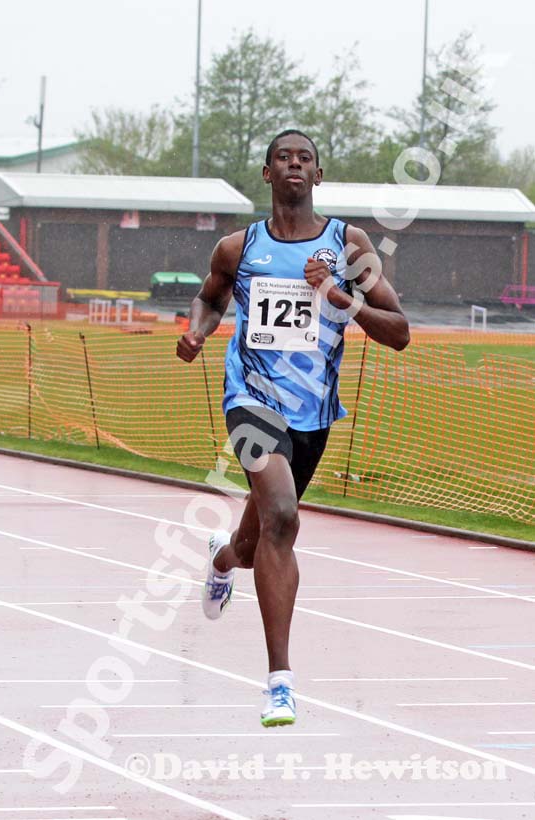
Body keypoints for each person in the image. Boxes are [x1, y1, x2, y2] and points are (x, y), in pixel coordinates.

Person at [176, 129, 410, 727]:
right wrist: (198, 331)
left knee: (257, 546)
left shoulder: (347, 243)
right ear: (267, 173)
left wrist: (341, 298)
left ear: (319, 174)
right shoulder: (238, 246)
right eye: (284, 158)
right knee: (283, 515)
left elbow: (399, 330)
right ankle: (280, 681)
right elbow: (211, 298)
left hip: (313, 414)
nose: (294, 166)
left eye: (305, 158)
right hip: (252, 400)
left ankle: (223, 560)